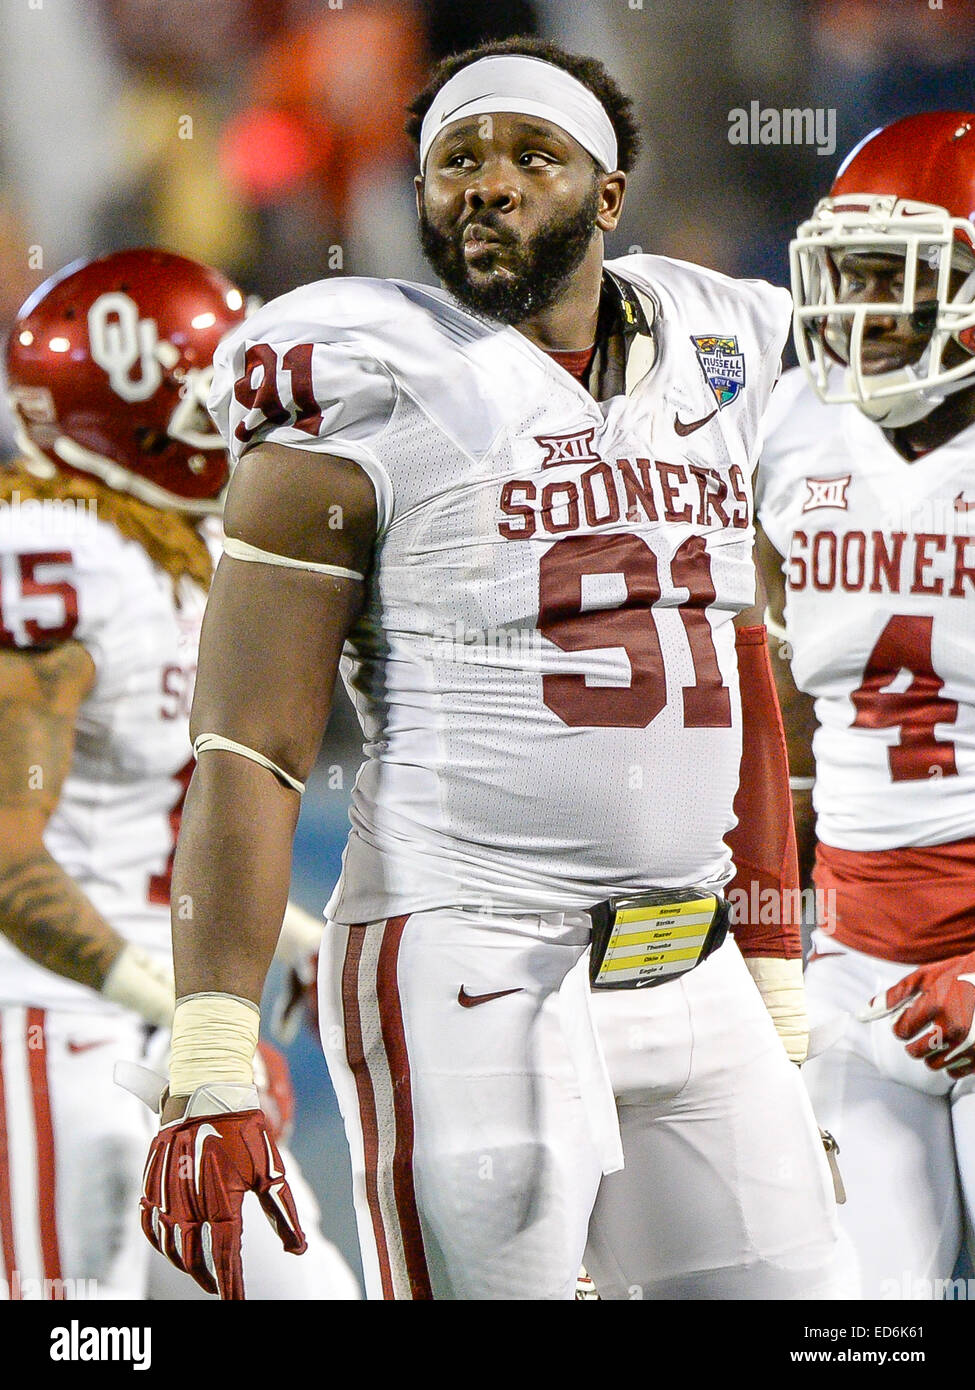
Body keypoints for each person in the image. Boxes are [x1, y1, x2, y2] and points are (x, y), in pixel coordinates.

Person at [143, 37, 853, 1301]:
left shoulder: (716, 350)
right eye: (455, 160)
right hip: (467, 963)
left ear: (610, 193)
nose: (489, 182)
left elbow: (741, 669)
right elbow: (249, 744)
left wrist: (775, 971)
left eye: (534, 154)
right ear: (416, 199)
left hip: (691, 968)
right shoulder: (357, 389)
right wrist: (212, 1049)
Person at [0, 248, 358, 1300]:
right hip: (45, 1027)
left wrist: (290, 950)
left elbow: (153, 832)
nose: (240, 422)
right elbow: (10, 856)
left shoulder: (170, 555)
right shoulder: (55, 550)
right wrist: (186, 1001)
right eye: (211, 394)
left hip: (150, 1030)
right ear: (132, 408)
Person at [756, 111, 975, 1299]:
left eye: (901, 274)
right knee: (865, 1318)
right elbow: (781, 705)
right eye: (853, 271)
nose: (861, 307)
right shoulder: (795, 433)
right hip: (851, 959)